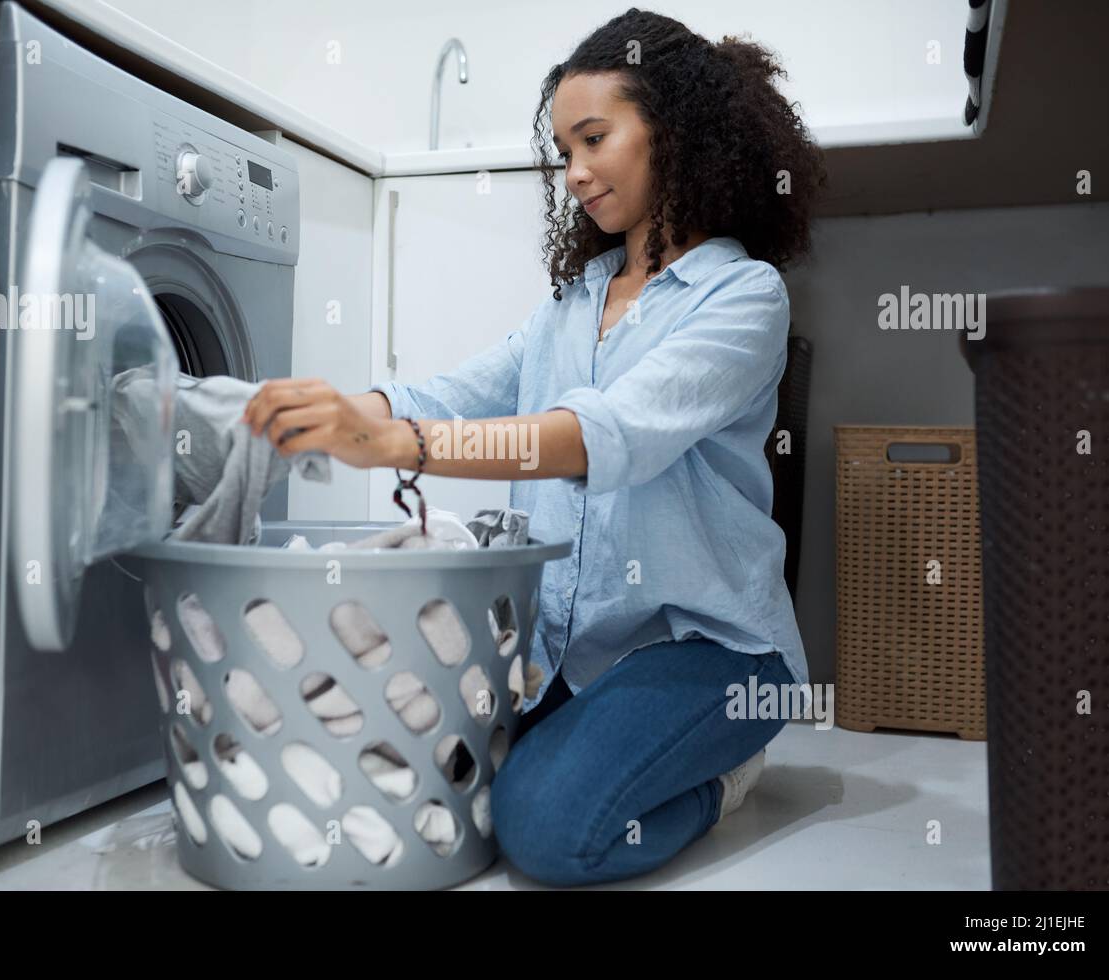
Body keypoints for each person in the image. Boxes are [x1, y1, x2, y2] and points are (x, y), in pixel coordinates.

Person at [242, 8, 825, 887]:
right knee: (421, 773)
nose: (576, 174)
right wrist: (338, 408)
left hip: (714, 649)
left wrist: (395, 442)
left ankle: (725, 778)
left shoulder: (743, 298)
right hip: (578, 643)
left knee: (545, 830)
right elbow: (460, 390)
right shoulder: (574, 298)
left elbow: (603, 433)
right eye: (564, 150)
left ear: (674, 129)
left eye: (595, 139)